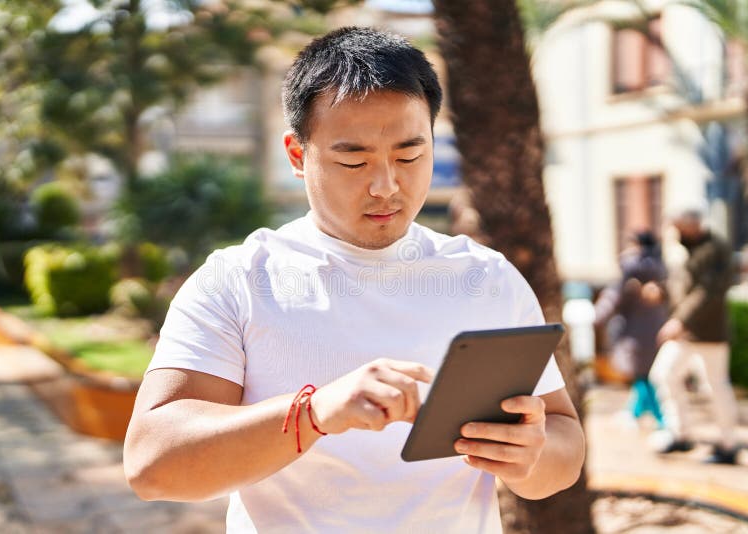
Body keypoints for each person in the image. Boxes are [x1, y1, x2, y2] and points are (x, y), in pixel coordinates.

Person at [123, 27, 585, 532]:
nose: (387, 185)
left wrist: (531, 456)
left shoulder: (485, 278)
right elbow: (152, 465)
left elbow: (562, 445)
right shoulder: (237, 281)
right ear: (298, 155)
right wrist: (316, 412)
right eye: (353, 159)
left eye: (410, 155)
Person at [649, 210, 741, 464]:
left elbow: (707, 291)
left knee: (715, 385)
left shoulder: (716, 248)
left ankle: (728, 443)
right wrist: (662, 292)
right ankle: (680, 433)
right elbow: (684, 284)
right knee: (664, 374)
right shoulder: (686, 249)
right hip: (686, 333)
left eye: (678, 227)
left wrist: (680, 320)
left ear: (691, 225)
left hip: (708, 333)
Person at [595, 231, 667, 429]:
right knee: (646, 376)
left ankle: (662, 420)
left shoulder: (630, 269)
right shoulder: (660, 267)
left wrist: (595, 317)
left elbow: (612, 297)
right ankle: (635, 413)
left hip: (634, 333)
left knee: (643, 377)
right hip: (655, 331)